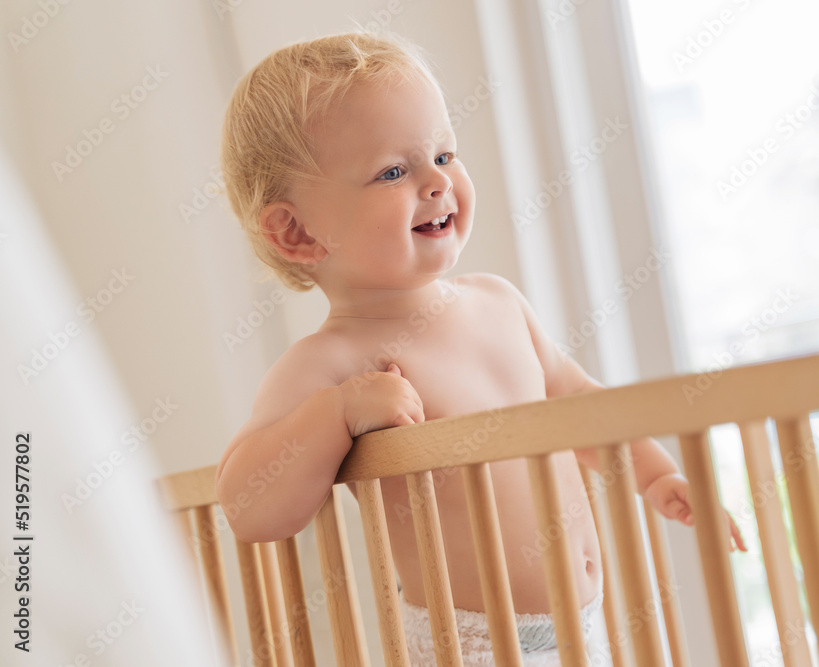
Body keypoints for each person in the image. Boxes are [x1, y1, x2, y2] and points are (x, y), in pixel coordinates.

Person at [215, 31, 746, 665]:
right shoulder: (329, 364)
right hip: (468, 645)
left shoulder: (498, 302)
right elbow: (248, 506)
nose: (437, 182)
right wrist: (338, 412)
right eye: (392, 171)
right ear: (297, 231)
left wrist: (656, 474)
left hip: (585, 627)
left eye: (444, 153)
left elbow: (577, 401)